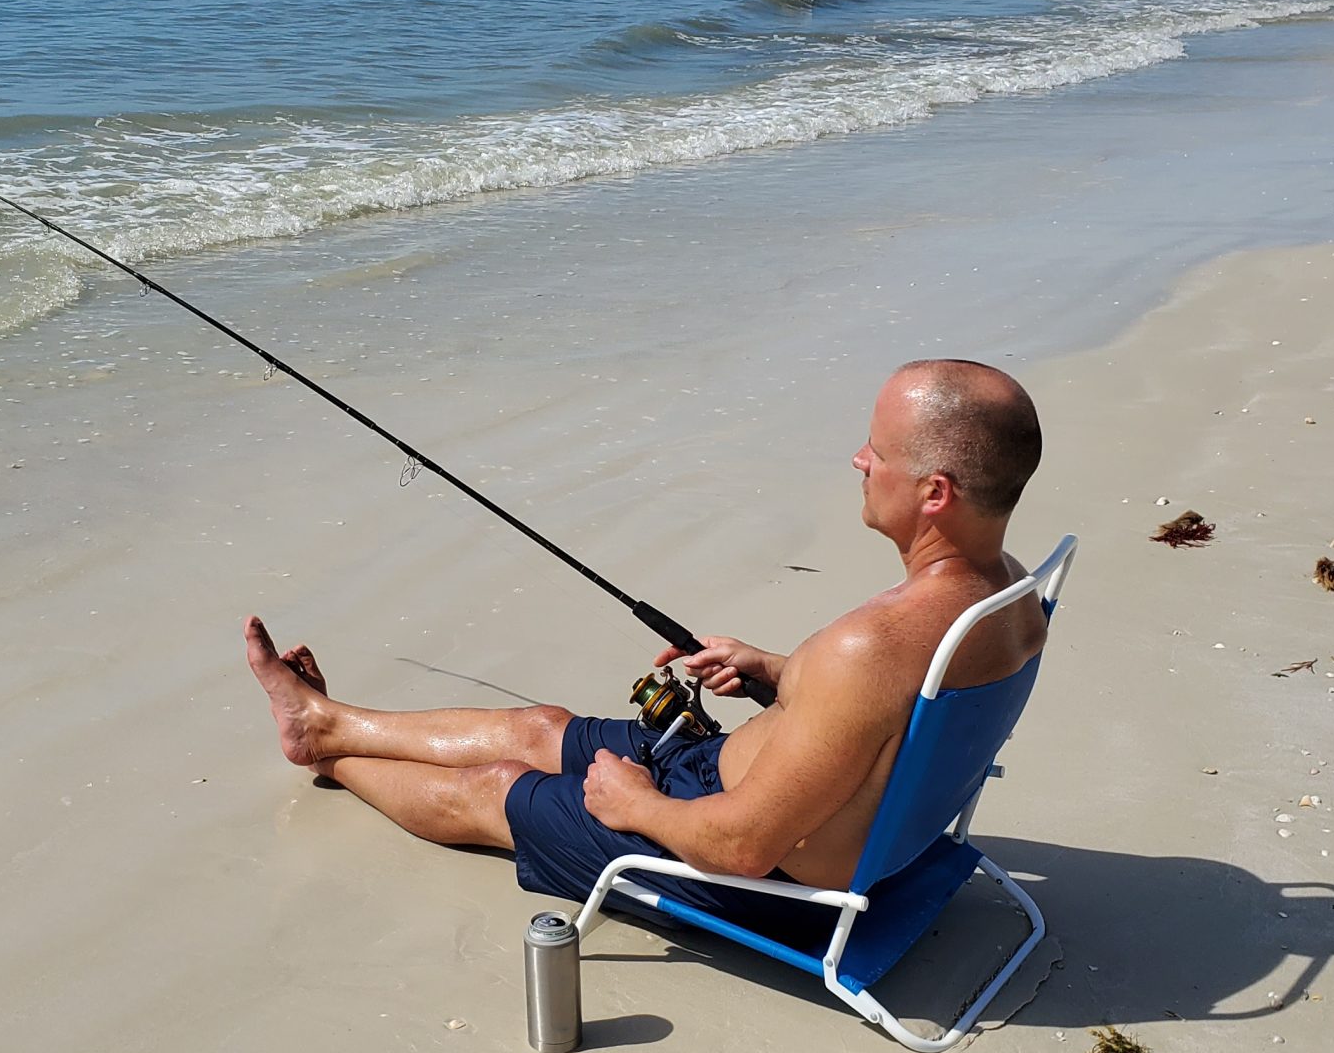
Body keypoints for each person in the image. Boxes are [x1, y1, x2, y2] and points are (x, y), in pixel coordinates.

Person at [244, 359, 1046, 921]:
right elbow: (883, 714)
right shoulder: (1011, 597)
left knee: (494, 788)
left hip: (753, 872)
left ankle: (330, 759)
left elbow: (742, 846)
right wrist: (773, 670)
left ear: (934, 493)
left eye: (879, 451)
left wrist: (639, 806)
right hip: (756, 784)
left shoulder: (869, 647)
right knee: (541, 728)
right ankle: (328, 721)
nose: (859, 459)